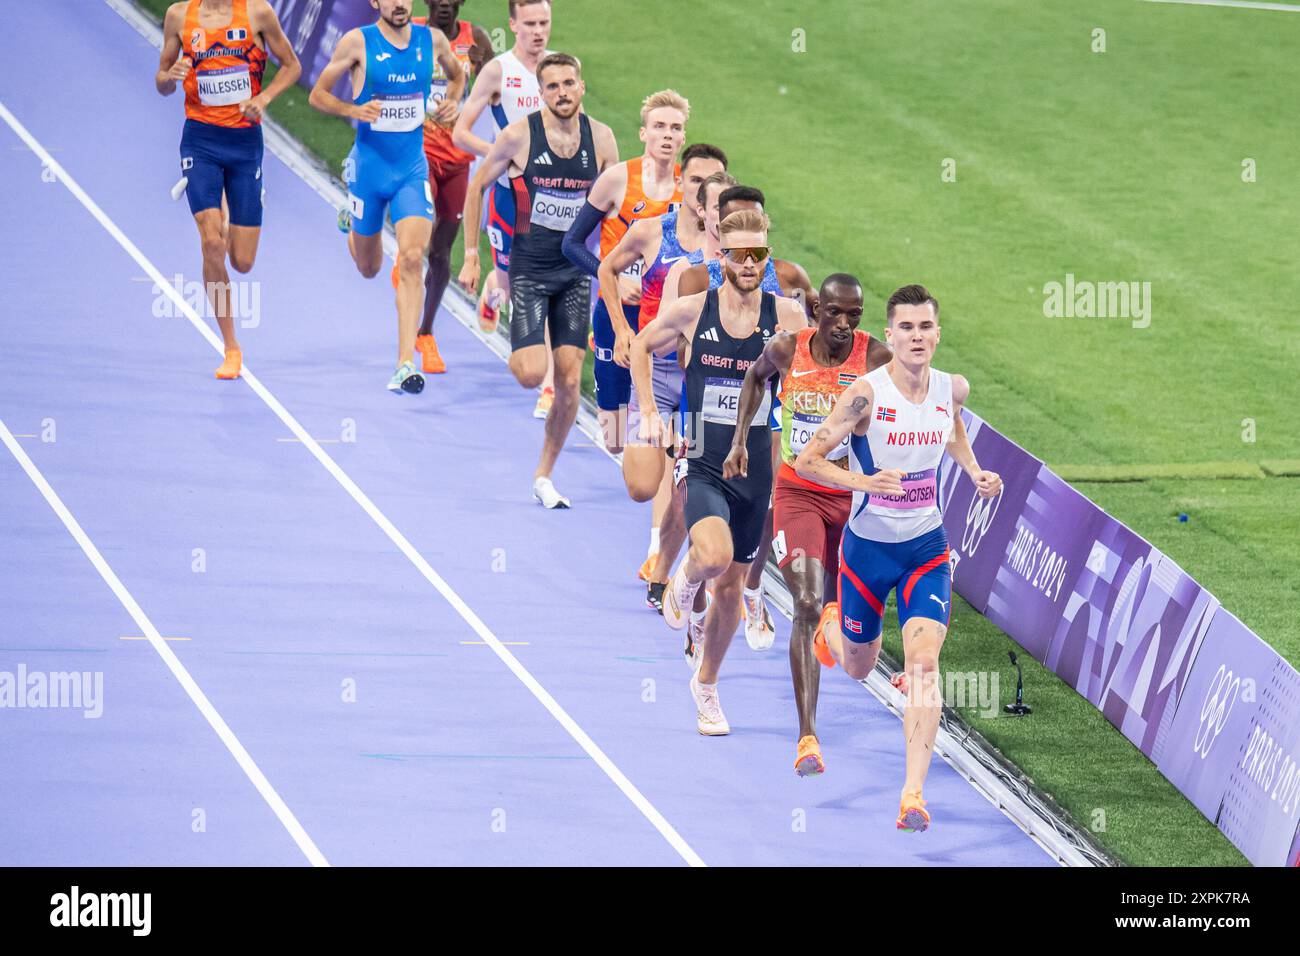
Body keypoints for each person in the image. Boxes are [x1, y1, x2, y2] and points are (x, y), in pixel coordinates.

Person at [794, 284, 1002, 831]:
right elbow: (808, 460)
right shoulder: (866, 394)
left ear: (937, 333)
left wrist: (974, 469)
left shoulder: (951, 389)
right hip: (868, 551)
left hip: (926, 549)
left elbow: (951, 429)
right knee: (860, 667)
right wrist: (867, 482)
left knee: (925, 663)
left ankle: (912, 794)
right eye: (905, 328)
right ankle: (831, 630)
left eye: (925, 327)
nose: (916, 337)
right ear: (890, 336)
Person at [631, 210, 806, 735]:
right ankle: (681, 581)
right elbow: (641, 346)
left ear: (766, 256)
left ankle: (706, 685)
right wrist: (648, 412)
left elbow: (818, 375)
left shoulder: (788, 318)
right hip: (702, 454)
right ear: (722, 255)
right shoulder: (692, 309)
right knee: (713, 554)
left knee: (730, 590)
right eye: (739, 254)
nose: (749, 263)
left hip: (754, 465)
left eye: (759, 254)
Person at [724, 274, 891, 776]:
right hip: (798, 491)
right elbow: (754, 378)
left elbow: (912, 394)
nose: (844, 324)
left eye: (854, 315)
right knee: (805, 601)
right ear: (817, 309)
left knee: (849, 628)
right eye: (835, 313)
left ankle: (831, 631)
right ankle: (807, 736)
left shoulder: (875, 357)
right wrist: (739, 441)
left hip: (855, 500)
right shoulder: (784, 350)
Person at [458, 54, 618, 508]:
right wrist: (472, 256)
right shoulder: (517, 136)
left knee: (567, 380)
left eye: (570, 83)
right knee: (530, 374)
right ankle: (496, 289)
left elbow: (614, 206)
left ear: (582, 87)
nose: (563, 92)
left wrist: (615, 266)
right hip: (528, 269)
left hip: (574, 273)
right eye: (552, 86)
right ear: (541, 92)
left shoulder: (602, 139)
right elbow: (477, 188)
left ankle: (545, 473)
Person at [661, 184, 815, 649]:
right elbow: (668, 348)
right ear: (718, 232)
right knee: (699, 527)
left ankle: (751, 589)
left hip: (764, 425)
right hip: (704, 427)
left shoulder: (784, 282)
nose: (750, 255)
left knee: (764, 508)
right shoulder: (695, 282)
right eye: (740, 241)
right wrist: (662, 413)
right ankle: (693, 609)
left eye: (759, 237)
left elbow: (811, 354)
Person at [309, 0, 465, 394]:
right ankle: (353, 218)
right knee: (369, 267)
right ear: (375, 3)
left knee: (413, 258)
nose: (399, 3)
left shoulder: (432, 40)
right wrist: (352, 110)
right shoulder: (357, 42)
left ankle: (404, 364)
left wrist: (453, 99)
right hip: (369, 171)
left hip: (411, 170)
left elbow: (457, 74)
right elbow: (317, 95)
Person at [597, 146, 728, 600]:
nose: (702, 192)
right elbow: (605, 268)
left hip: (698, 384)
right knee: (638, 483)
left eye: (713, 184)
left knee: (688, 477)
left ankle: (665, 566)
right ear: (682, 184)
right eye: (695, 181)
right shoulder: (655, 231)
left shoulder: (735, 255)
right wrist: (619, 328)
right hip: (649, 368)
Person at [156, 0, 300, 379]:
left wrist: (264, 99)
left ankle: (234, 203)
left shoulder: (257, 13)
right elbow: (160, 83)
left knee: (242, 261)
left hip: (244, 145)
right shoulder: (178, 16)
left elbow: (293, 65)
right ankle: (231, 346)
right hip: (200, 141)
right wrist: (171, 75)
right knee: (211, 243)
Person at [561, 90, 689, 453]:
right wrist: (615, 278)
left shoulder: (691, 190)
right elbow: (571, 243)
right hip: (618, 314)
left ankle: (669, 484)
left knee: (680, 438)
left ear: (683, 137)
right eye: (659, 126)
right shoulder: (617, 179)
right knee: (615, 440)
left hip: (668, 320)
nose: (667, 135)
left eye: (675, 128)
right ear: (643, 133)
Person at [452, 0, 557, 418]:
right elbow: (461, 132)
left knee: (542, 288)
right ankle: (494, 294)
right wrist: (500, 155)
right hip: (506, 198)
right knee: (513, 284)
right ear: (513, 25)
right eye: (529, 23)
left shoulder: (561, 69)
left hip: (550, 199)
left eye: (544, 23)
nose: (538, 31)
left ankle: (547, 388)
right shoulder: (499, 71)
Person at [409, 0, 494, 374]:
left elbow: (498, 88)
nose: (443, 3)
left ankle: (425, 332)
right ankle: (405, 259)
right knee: (420, 236)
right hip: (418, 151)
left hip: (458, 160)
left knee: (441, 253)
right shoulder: (409, 31)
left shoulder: (475, 38)